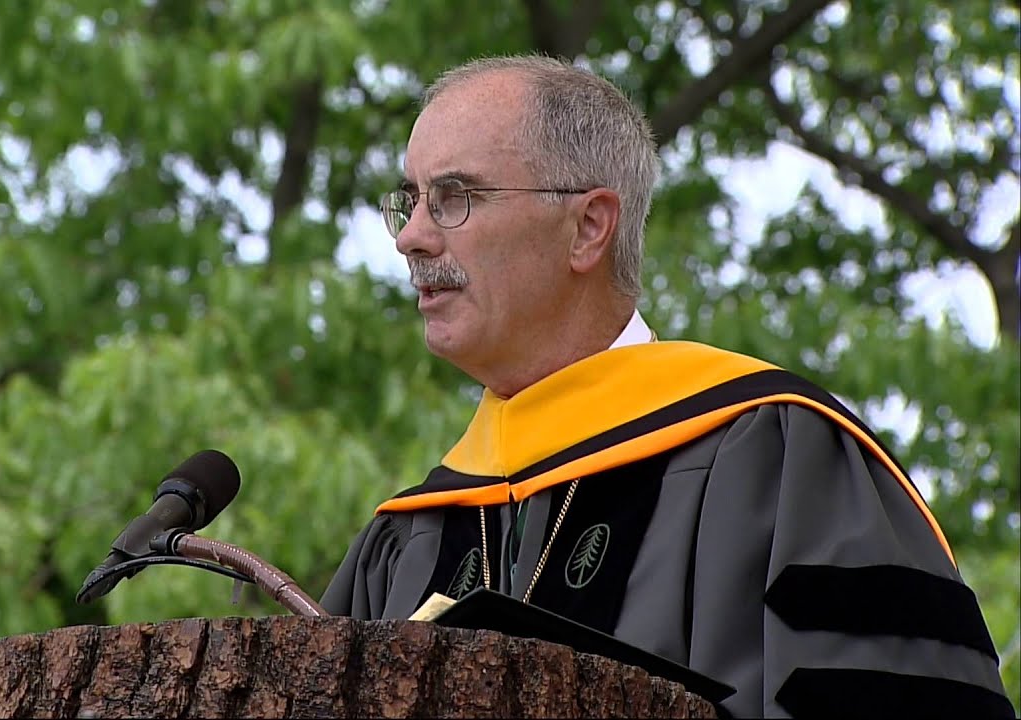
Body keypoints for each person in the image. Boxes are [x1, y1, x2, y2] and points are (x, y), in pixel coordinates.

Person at [319, 54, 1011, 718]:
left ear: (589, 227)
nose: (410, 237)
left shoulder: (775, 459)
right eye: (408, 202)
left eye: (453, 197)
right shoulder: (407, 534)